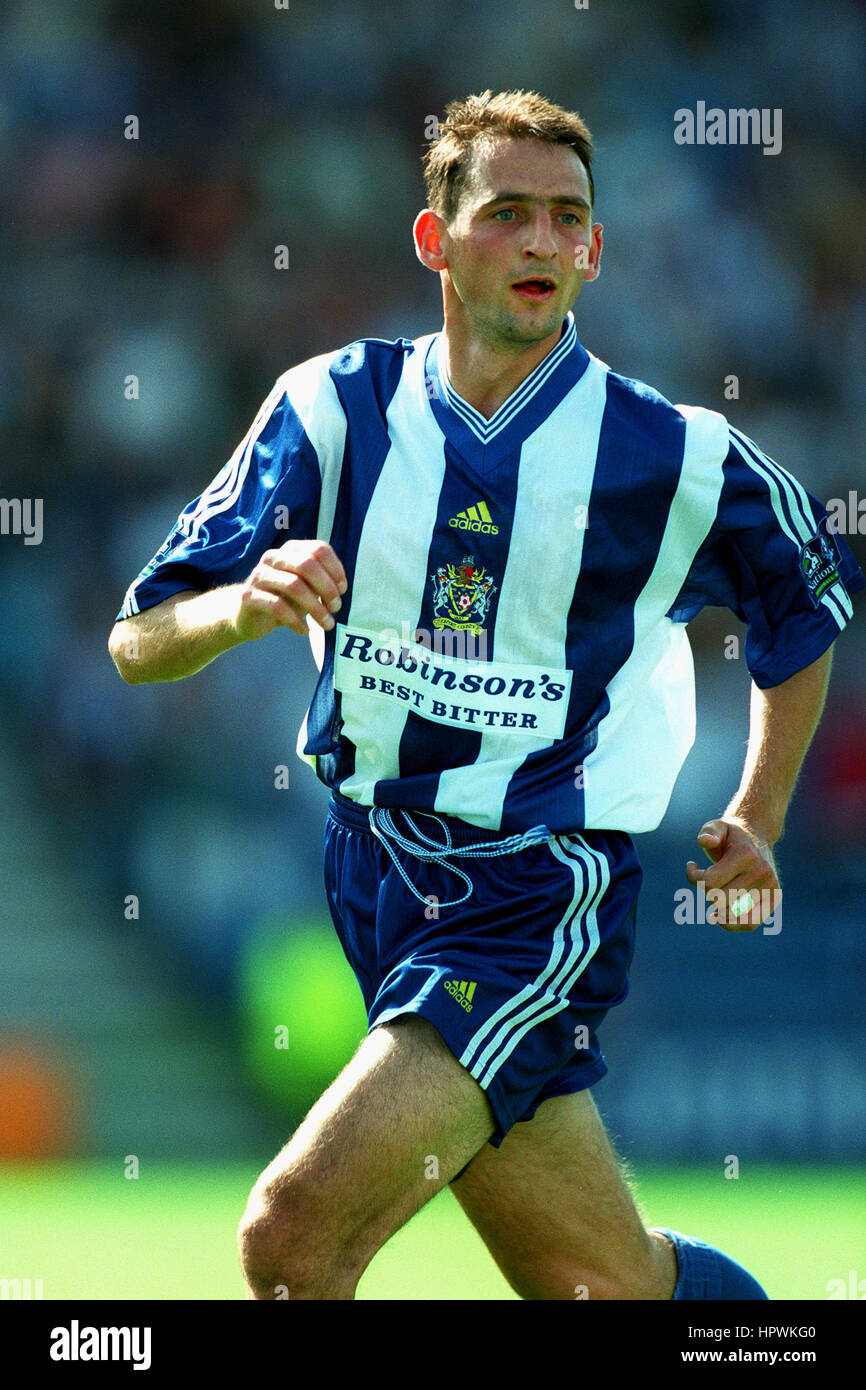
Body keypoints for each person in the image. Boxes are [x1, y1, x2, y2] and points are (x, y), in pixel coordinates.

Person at [108, 89, 863, 1301]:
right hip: (372, 870)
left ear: (594, 253)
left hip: (530, 894)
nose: (539, 242)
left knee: (290, 1236)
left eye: (566, 220)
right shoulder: (330, 411)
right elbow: (138, 639)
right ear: (434, 239)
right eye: (506, 212)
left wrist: (760, 813)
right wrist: (245, 604)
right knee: (601, 1283)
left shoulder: (668, 453)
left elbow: (803, 600)